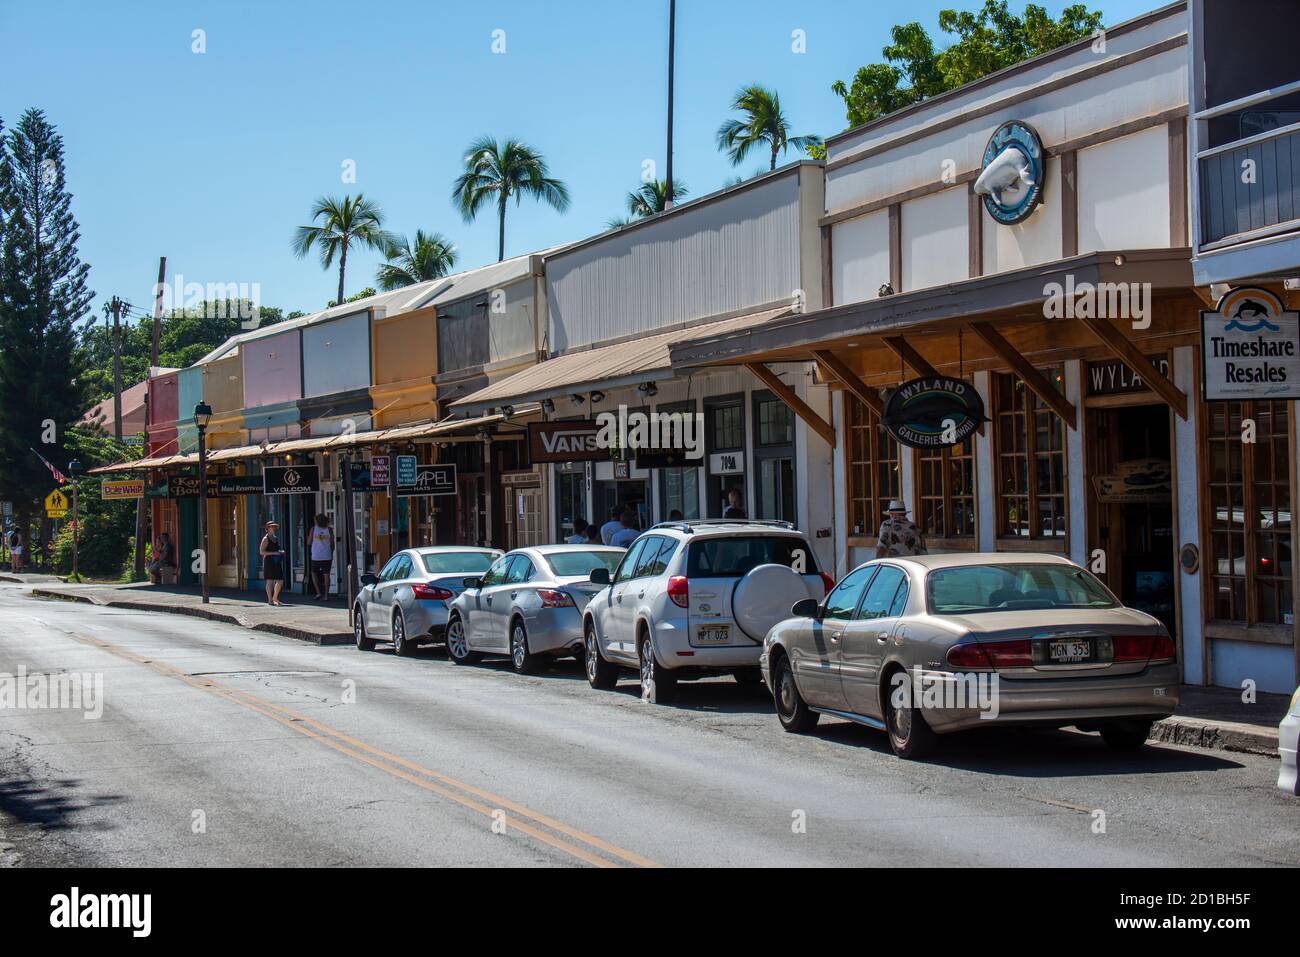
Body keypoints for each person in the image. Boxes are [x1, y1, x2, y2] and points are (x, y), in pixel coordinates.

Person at [308, 513, 334, 600]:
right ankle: (326, 595)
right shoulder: (329, 529)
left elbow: (309, 542)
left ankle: (318, 592)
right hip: (327, 555)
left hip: (316, 555)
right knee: (326, 575)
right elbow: (332, 542)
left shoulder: (313, 529)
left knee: (313, 572)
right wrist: (331, 551)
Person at [260, 520, 285, 606]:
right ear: (268, 528)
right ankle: (270, 600)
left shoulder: (275, 538)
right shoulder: (265, 539)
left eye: (274, 527)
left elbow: (276, 549)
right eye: (272, 527)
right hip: (268, 561)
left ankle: (275, 597)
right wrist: (274, 553)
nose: (273, 528)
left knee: (280, 580)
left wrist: (280, 552)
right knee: (269, 581)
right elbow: (262, 552)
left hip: (276, 561)